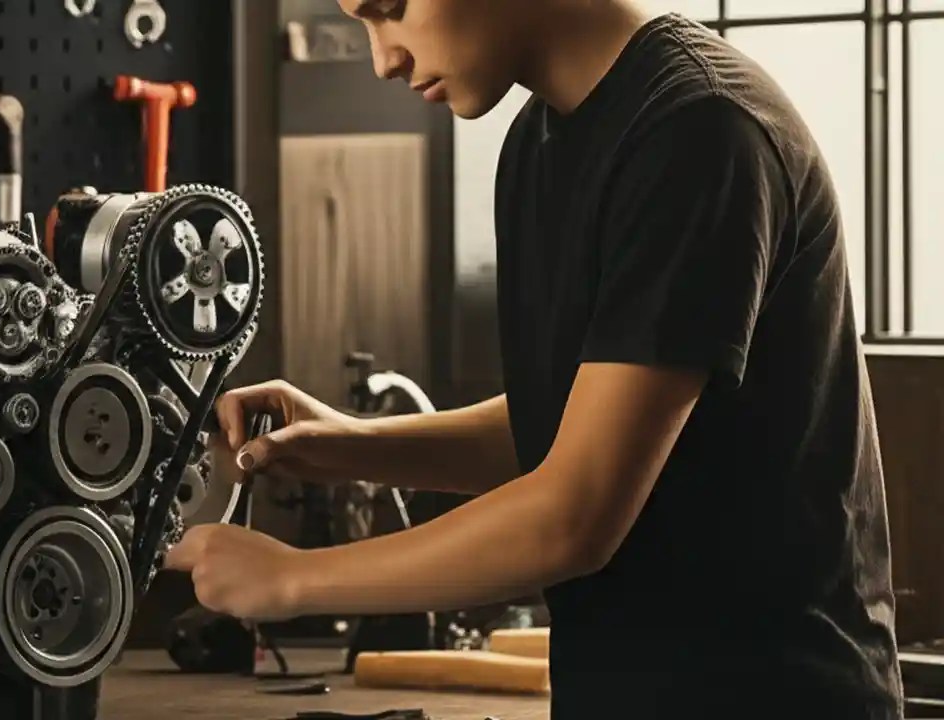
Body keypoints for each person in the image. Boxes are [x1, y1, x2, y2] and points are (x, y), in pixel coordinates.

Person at [163, 1, 904, 717]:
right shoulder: (538, 143)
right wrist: (348, 445)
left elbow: (573, 515)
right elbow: (573, 431)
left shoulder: (701, 131)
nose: (383, 58)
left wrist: (294, 580)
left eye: (390, 8)